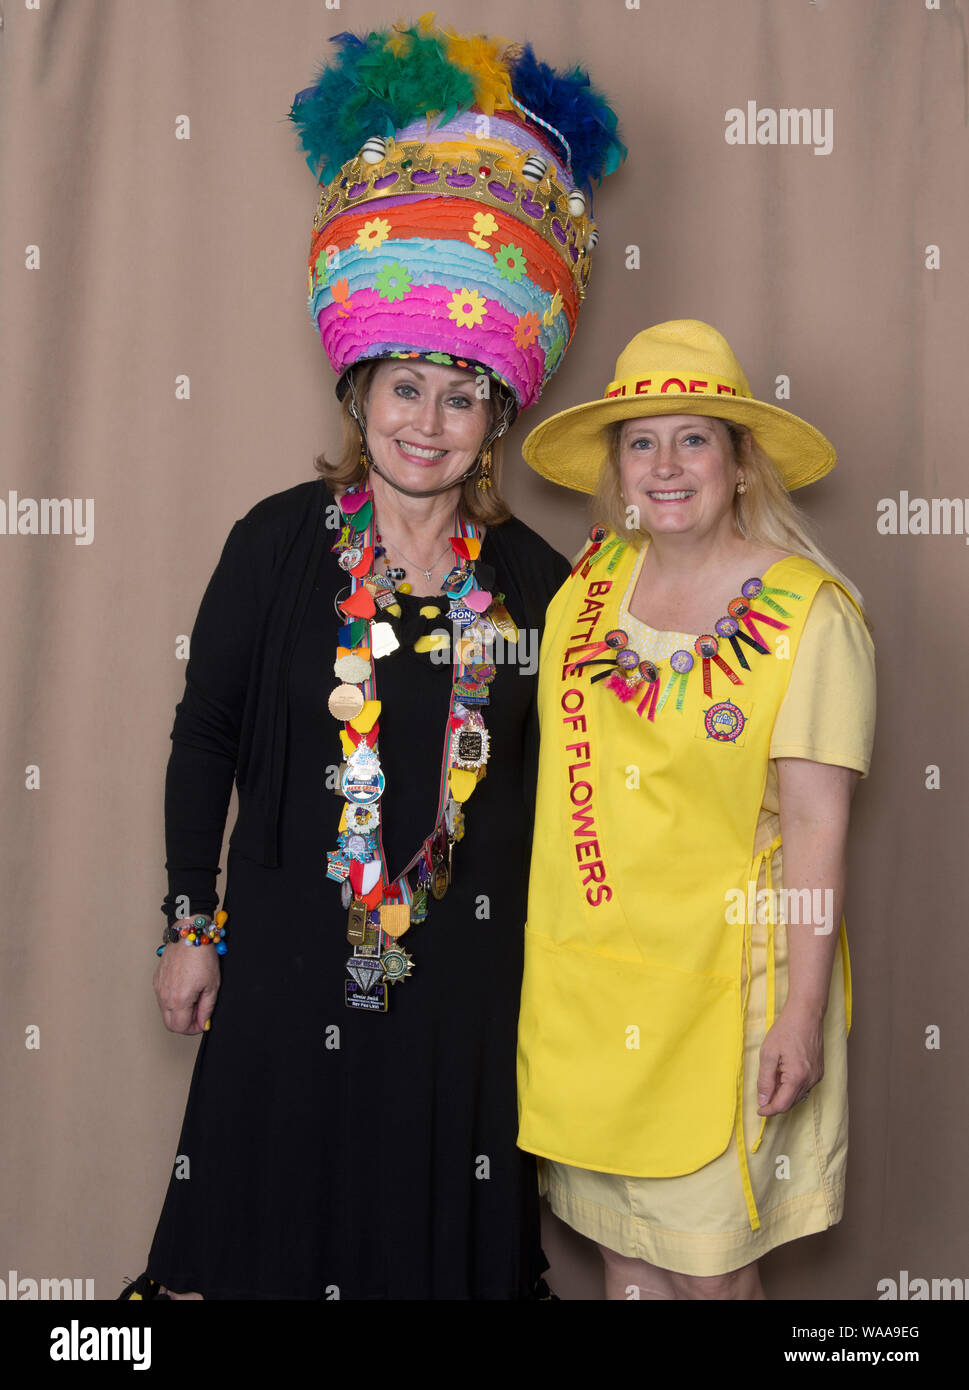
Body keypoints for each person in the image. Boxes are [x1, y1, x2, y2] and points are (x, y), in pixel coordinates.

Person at [118, 20, 623, 1301]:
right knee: (247, 1248)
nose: (428, 423)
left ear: (496, 418)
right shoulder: (278, 541)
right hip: (287, 951)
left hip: (465, 980)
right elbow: (207, 736)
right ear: (361, 393)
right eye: (407, 389)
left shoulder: (538, 583)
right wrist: (193, 920)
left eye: (460, 397)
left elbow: (597, 782)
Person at [516, 319, 875, 1300]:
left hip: (726, 1003)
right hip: (587, 998)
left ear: (740, 461)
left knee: (712, 1280)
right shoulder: (585, 590)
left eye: (694, 438)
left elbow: (816, 828)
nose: (665, 464)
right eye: (641, 440)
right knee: (623, 1263)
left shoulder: (812, 616)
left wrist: (802, 1013)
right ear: (617, 467)